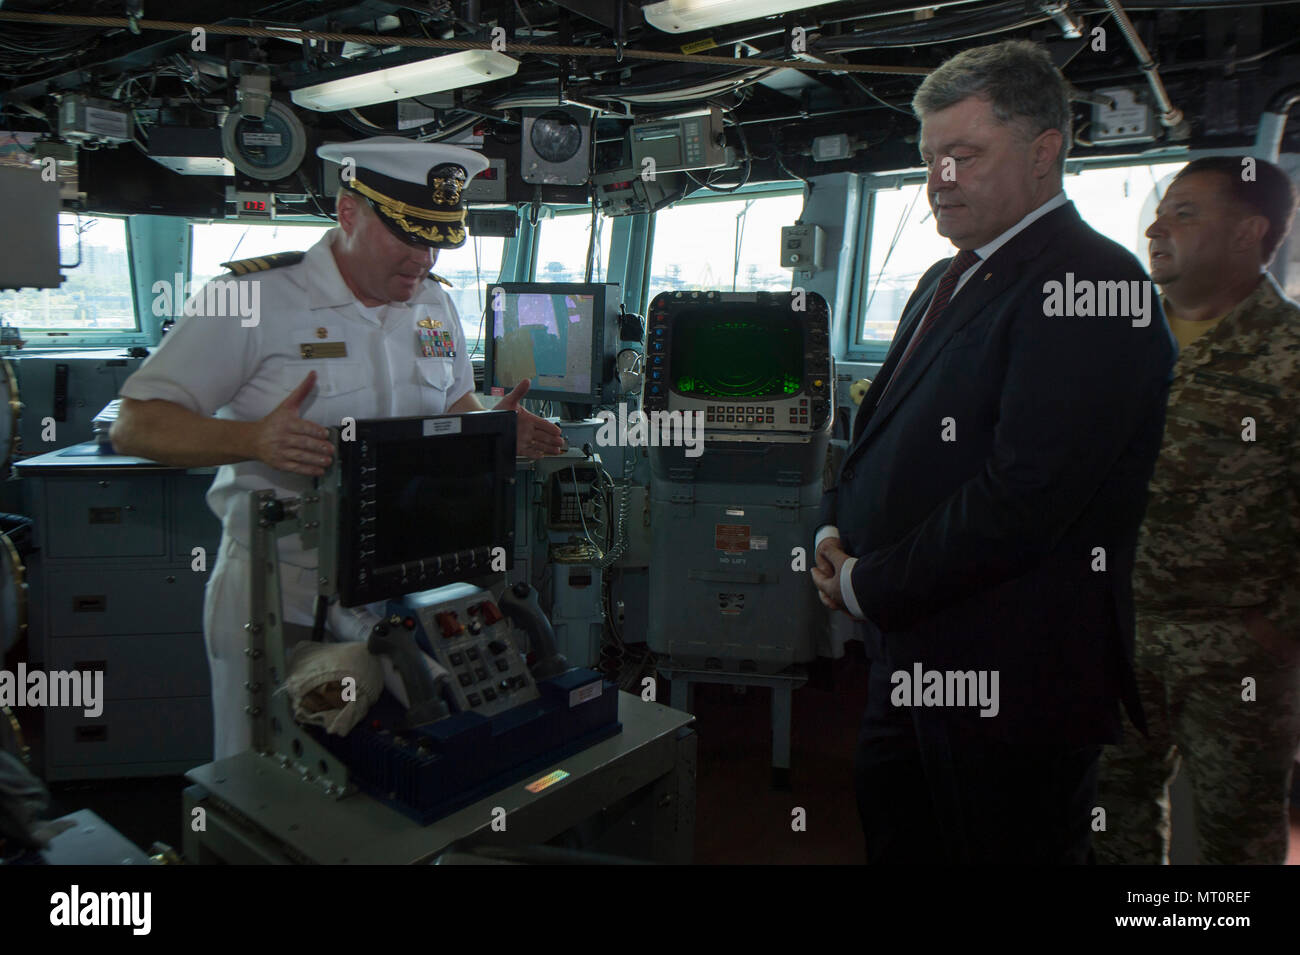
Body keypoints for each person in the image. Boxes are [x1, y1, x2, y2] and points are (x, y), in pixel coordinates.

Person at [809, 39, 1176, 864]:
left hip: (1012, 681)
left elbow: (1025, 495)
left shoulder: (1094, 285)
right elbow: (875, 441)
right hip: (912, 655)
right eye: (932, 157)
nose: (940, 180)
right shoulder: (949, 281)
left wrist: (869, 583)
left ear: (1044, 152)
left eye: (964, 155)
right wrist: (834, 532)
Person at [110, 137, 565, 760]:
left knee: (382, 777)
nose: (422, 260)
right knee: (268, 774)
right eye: (406, 236)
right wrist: (251, 439)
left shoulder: (433, 303)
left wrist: (494, 430)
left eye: (435, 240)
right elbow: (135, 424)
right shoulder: (253, 299)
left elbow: (452, 407)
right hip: (280, 593)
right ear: (349, 212)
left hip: (399, 583)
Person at [1095, 156, 1300, 864]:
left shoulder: (1292, 353)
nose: (1156, 226)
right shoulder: (1113, 341)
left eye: (1184, 212)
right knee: (1105, 814)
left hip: (1235, 652)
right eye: (1158, 211)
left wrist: (1278, 630)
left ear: (1250, 232)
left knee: (1233, 838)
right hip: (1114, 633)